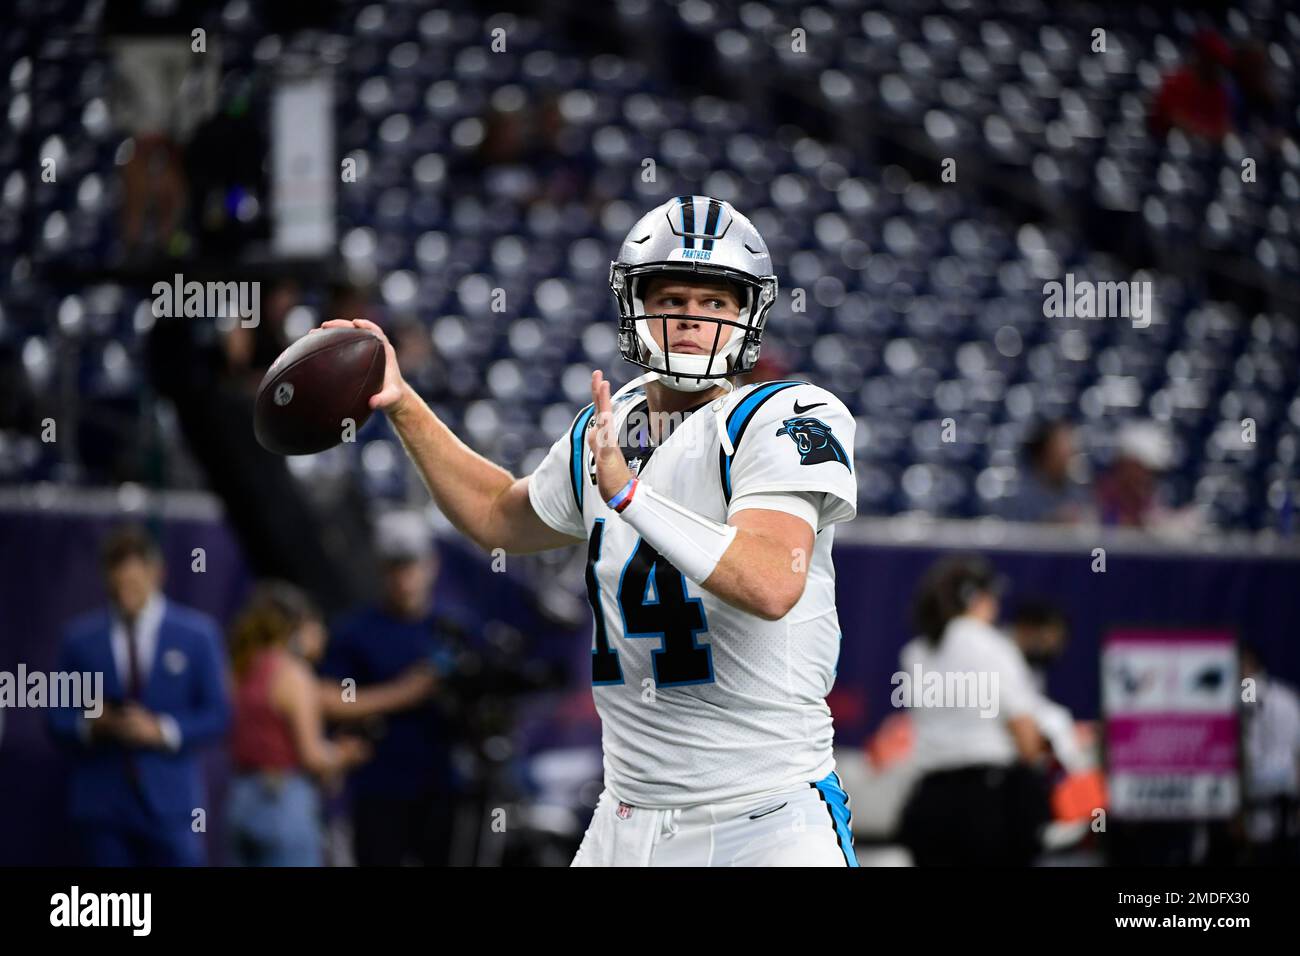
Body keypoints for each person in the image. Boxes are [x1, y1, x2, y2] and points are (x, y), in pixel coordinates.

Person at [317, 195, 860, 866]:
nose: (693, 318)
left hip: (765, 817)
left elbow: (773, 581)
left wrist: (631, 495)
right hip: (628, 820)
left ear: (747, 317)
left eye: (715, 303)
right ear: (636, 307)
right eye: (673, 298)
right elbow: (497, 516)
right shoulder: (609, 426)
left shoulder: (784, 416)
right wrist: (403, 404)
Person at [48, 526, 230, 866]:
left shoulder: (198, 635)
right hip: (101, 804)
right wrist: (91, 725)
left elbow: (218, 715)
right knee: (112, 913)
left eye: (132, 584)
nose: (124, 593)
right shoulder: (78, 640)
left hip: (172, 804)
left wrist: (161, 730)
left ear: (156, 574)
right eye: (117, 586)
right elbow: (56, 717)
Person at [320, 512, 461, 867]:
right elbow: (329, 699)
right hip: (380, 785)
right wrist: (404, 693)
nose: (404, 578)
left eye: (411, 565)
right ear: (380, 569)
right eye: (394, 567)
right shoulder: (356, 631)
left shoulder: (452, 628)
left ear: (431, 565)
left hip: (442, 784)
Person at [896, 555, 1052, 866]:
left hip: (928, 805)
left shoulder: (914, 653)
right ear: (973, 598)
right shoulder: (992, 646)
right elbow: (1026, 737)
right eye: (990, 594)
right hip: (987, 807)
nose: (995, 604)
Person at [225, 582, 378, 866]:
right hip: (283, 804)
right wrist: (343, 754)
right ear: (296, 628)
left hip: (239, 800)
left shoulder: (238, 669)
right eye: (314, 625)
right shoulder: (294, 675)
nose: (321, 634)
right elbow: (312, 756)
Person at [1239, 644, 1300, 865]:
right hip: (1286, 801)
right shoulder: (1288, 697)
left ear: (1247, 665)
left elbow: (1246, 747)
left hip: (1262, 802)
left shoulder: (1247, 690)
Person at [1149, 28, 1236, 142]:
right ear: (1201, 59)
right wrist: (1207, 133)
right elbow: (1177, 121)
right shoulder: (1176, 82)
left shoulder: (1218, 90)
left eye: (1219, 65)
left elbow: (1224, 128)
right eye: (1213, 62)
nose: (1217, 69)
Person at [1001, 420, 1090, 524]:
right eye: (1061, 447)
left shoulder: (1075, 490)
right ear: (1046, 451)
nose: (1068, 453)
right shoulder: (1021, 492)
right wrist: (1053, 520)